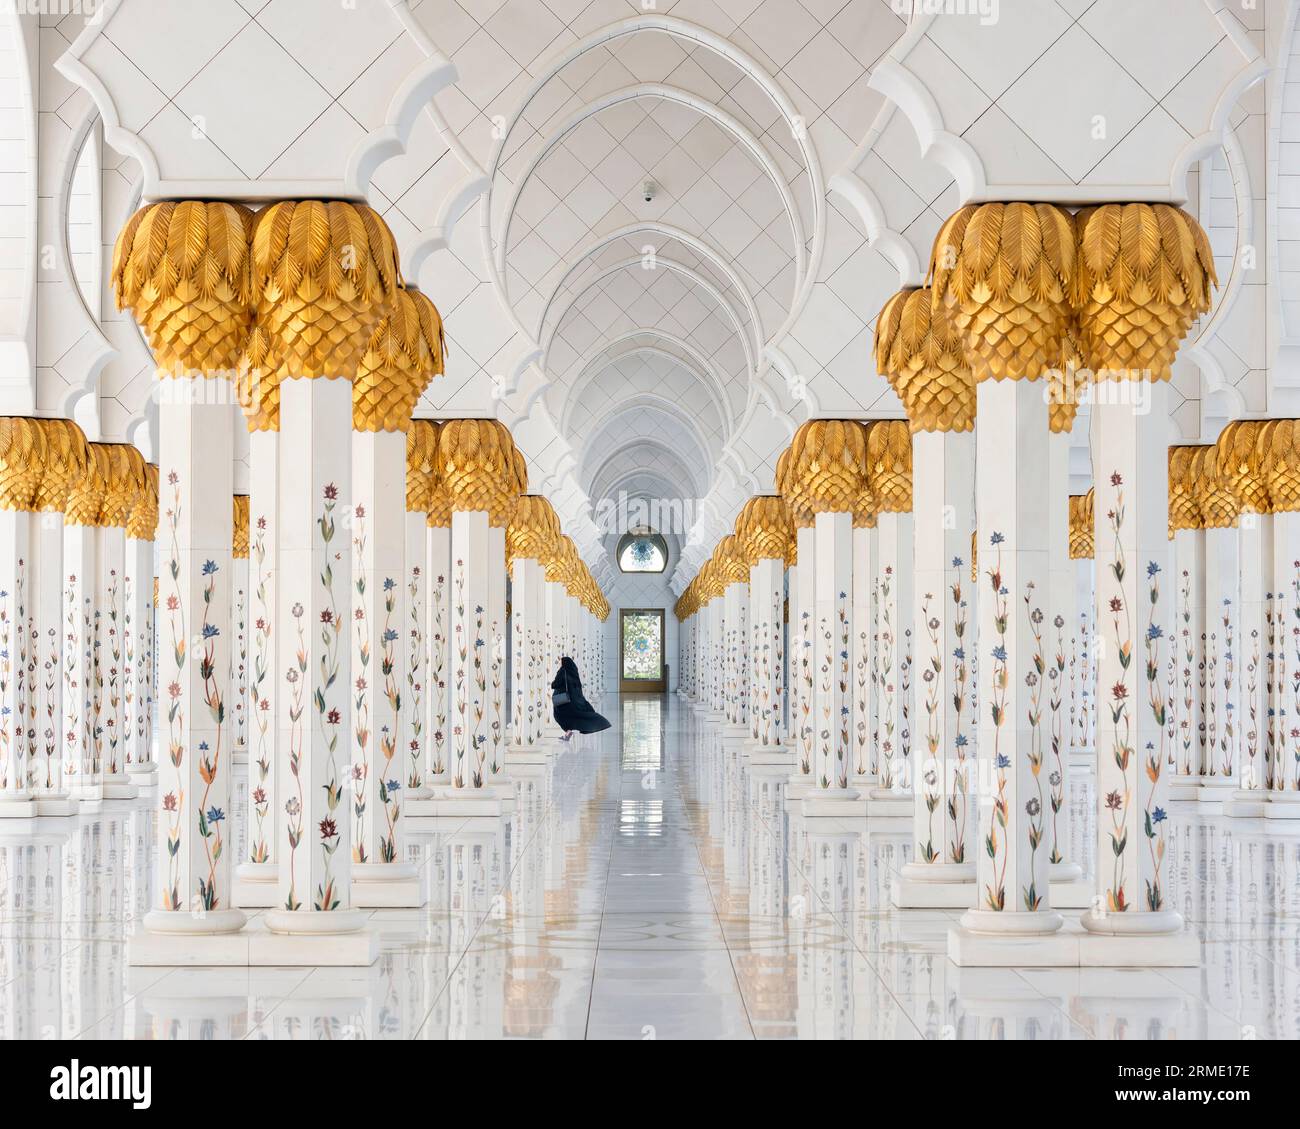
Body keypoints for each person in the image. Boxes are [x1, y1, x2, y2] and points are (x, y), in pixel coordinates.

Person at [551, 655, 610, 741]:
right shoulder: (574, 672)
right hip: (575, 700)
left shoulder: (563, 671)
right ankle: (568, 734)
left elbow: (555, 684)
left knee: (560, 716)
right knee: (574, 717)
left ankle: (568, 733)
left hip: (564, 701)